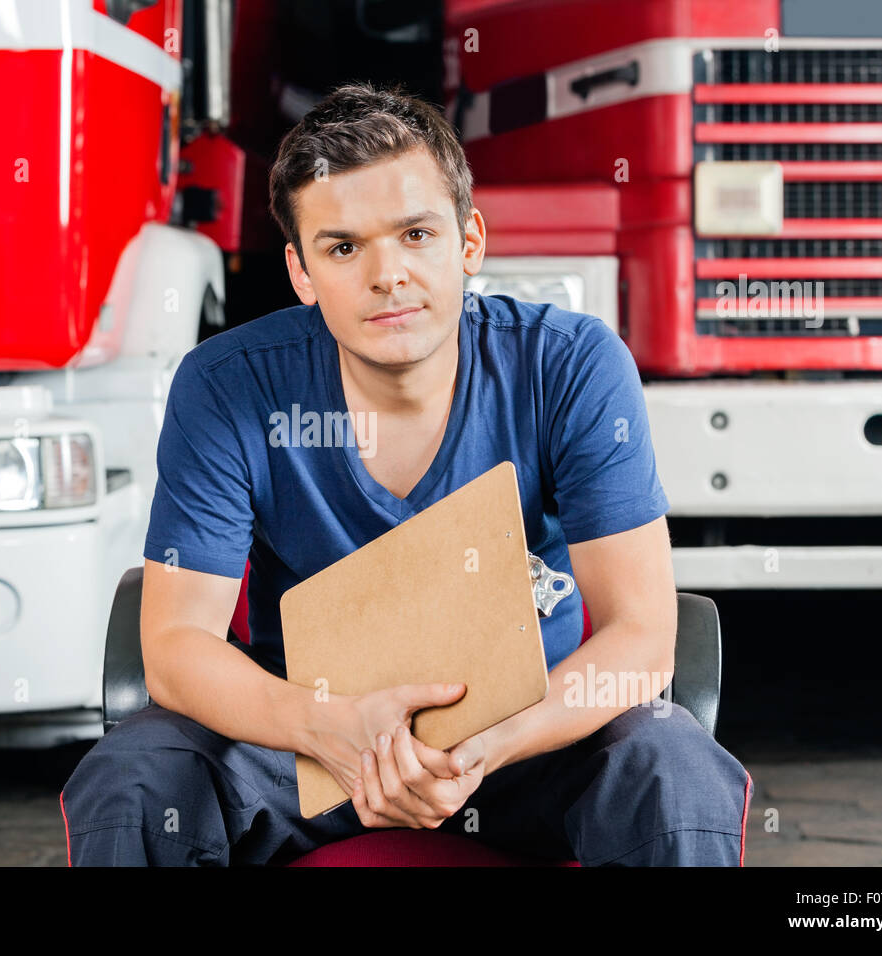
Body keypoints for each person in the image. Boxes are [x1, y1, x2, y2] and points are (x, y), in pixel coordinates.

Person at [61, 81, 752, 866]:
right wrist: (328, 727)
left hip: (529, 741)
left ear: (469, 242)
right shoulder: (226, 386)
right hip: (308, 747)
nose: (387, 275)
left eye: (416, 234)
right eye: (344, 247)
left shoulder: (570, 365)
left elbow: (641, 637)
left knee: (672, 765)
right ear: (300, 271)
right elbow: (178, 644)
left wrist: (487, 744)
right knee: (136, 776)